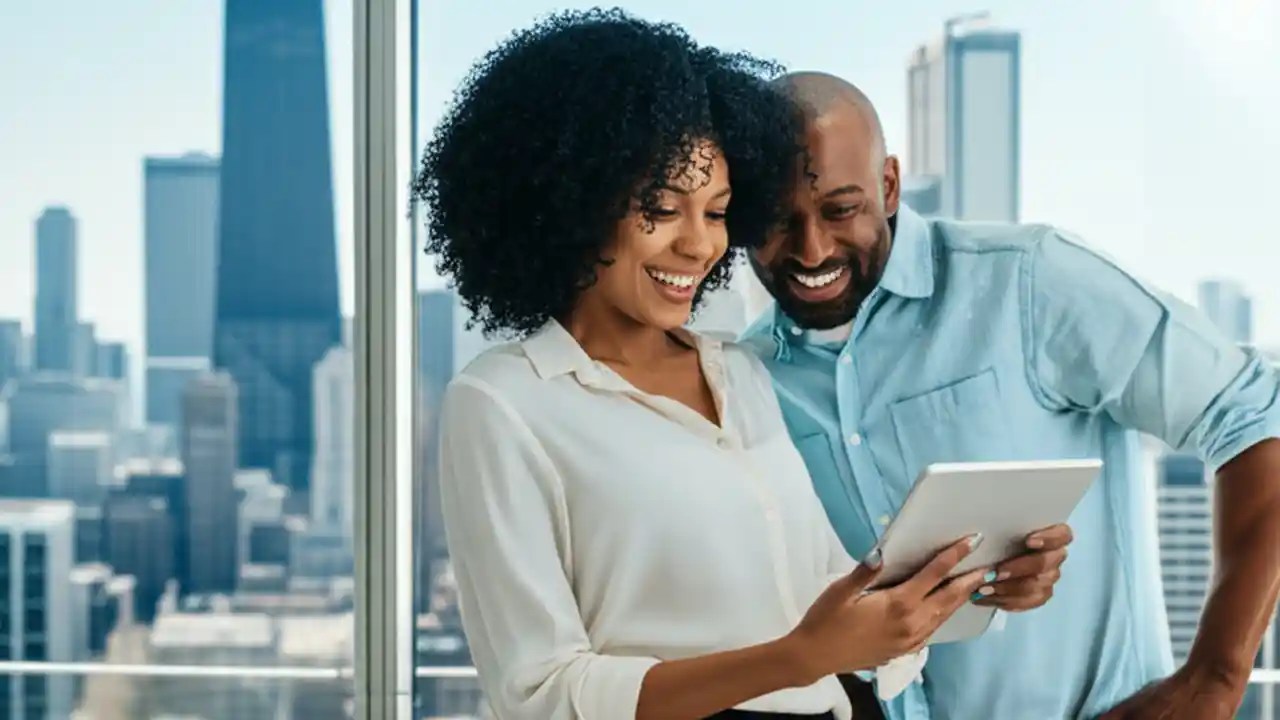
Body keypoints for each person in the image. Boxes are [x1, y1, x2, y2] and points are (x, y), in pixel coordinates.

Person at [414, 11, 1069, 720]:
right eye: (662, 209)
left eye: (719, 212)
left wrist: (972, 580)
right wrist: (803, 657)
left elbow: (824, 596)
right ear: (570, 202)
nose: (699, 247)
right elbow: (541, 694)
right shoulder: (505, 402)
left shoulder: (741, 373)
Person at [742, 70, 1280, 720]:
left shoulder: (1027, 283)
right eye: (775, 219)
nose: (811, 248)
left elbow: (1251, 406)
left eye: (840, 209)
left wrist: (1214, 680)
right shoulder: (742, 380)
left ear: (888, 186)